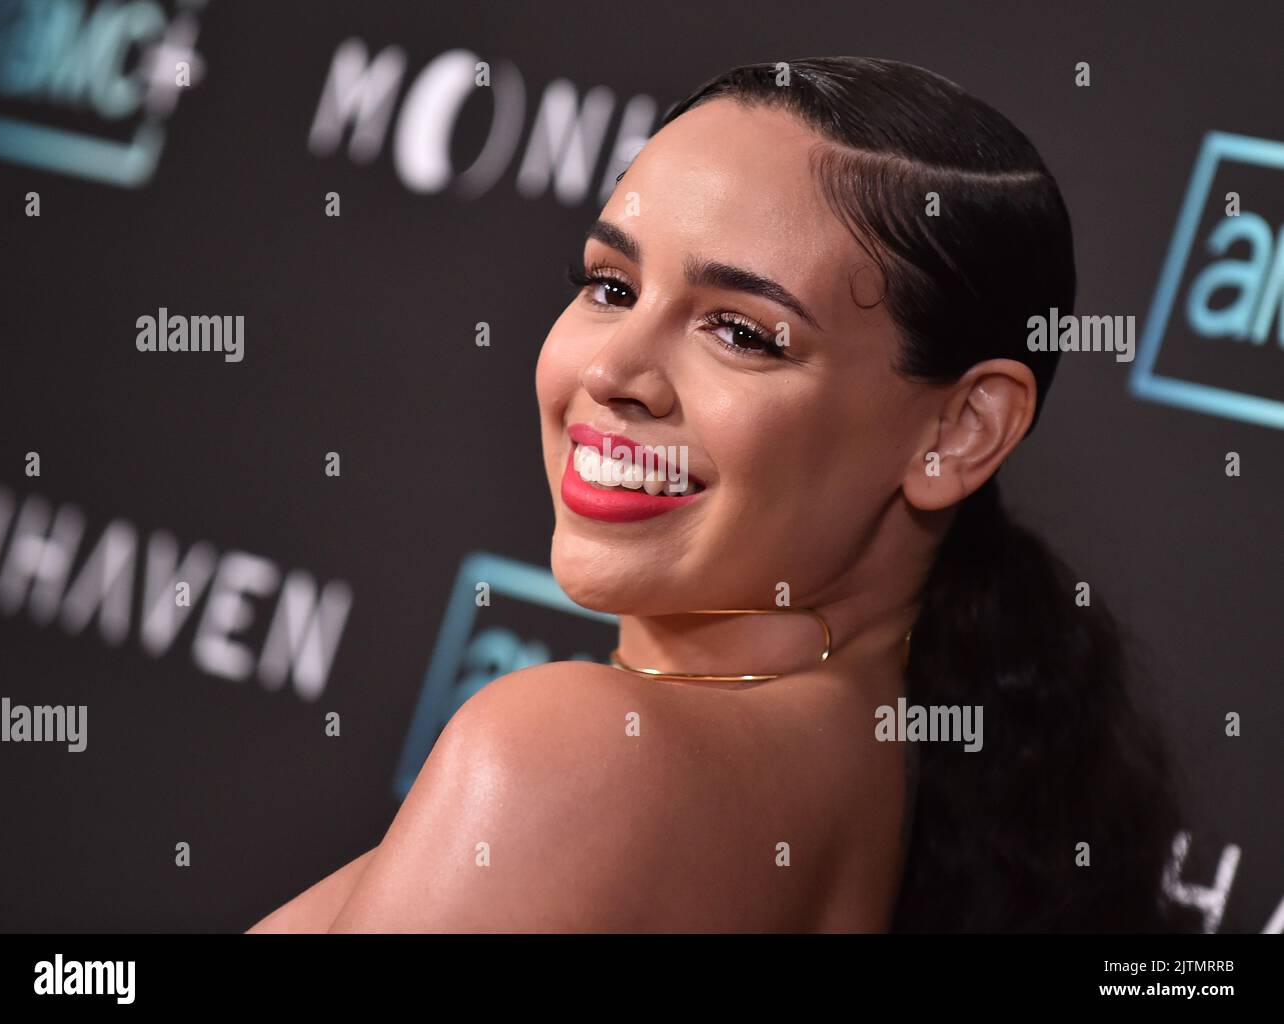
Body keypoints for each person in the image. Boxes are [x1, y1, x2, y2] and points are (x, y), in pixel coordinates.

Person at [247, 56, 1186, 933]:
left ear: (960, 430)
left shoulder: (572, 758)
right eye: (610, 286)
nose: (614, 370)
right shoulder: (876, 772)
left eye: (741, 330)